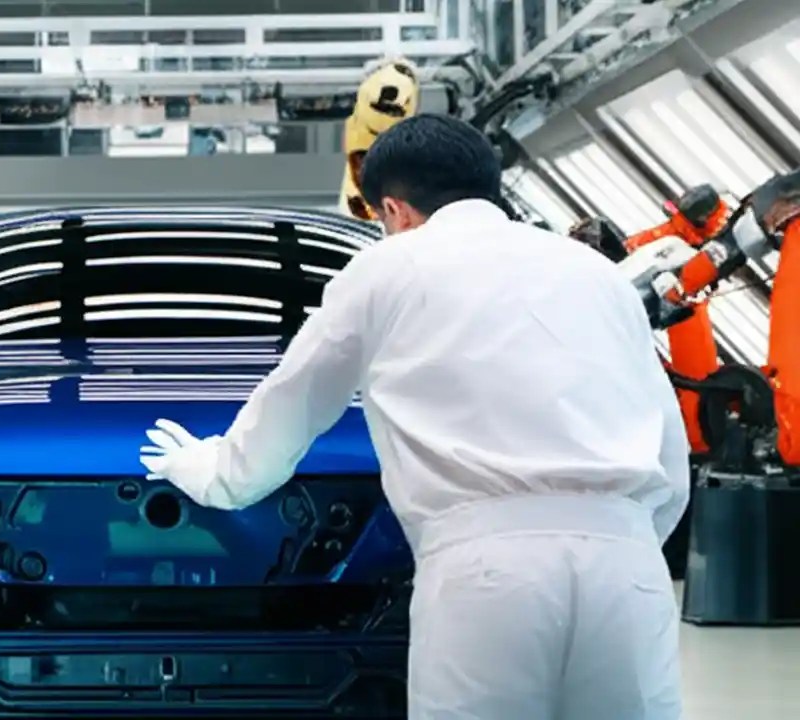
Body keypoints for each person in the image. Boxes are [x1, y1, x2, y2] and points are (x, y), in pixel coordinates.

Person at [139, 114, 688, 719]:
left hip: (486, 572)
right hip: (628, 567)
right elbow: (670, 453)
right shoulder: (597, 277)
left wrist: (214, 473)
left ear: (394, 210)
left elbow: (294, 403)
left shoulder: (387, 270)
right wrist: (616, 541)